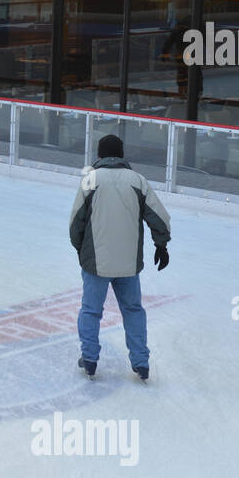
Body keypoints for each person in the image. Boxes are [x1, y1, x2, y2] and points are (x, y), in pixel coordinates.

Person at [68, 134, 171, 382]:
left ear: (100, 155)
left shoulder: (90, 180)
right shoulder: (137, 181)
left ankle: (90, 359)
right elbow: (159, 218)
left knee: (91, 311)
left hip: (96, 262)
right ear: (122, 155)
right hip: (128, 263)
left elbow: (75, 223)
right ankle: (141, 362)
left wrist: (82, 250)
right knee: (133, 310)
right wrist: (161, 245)